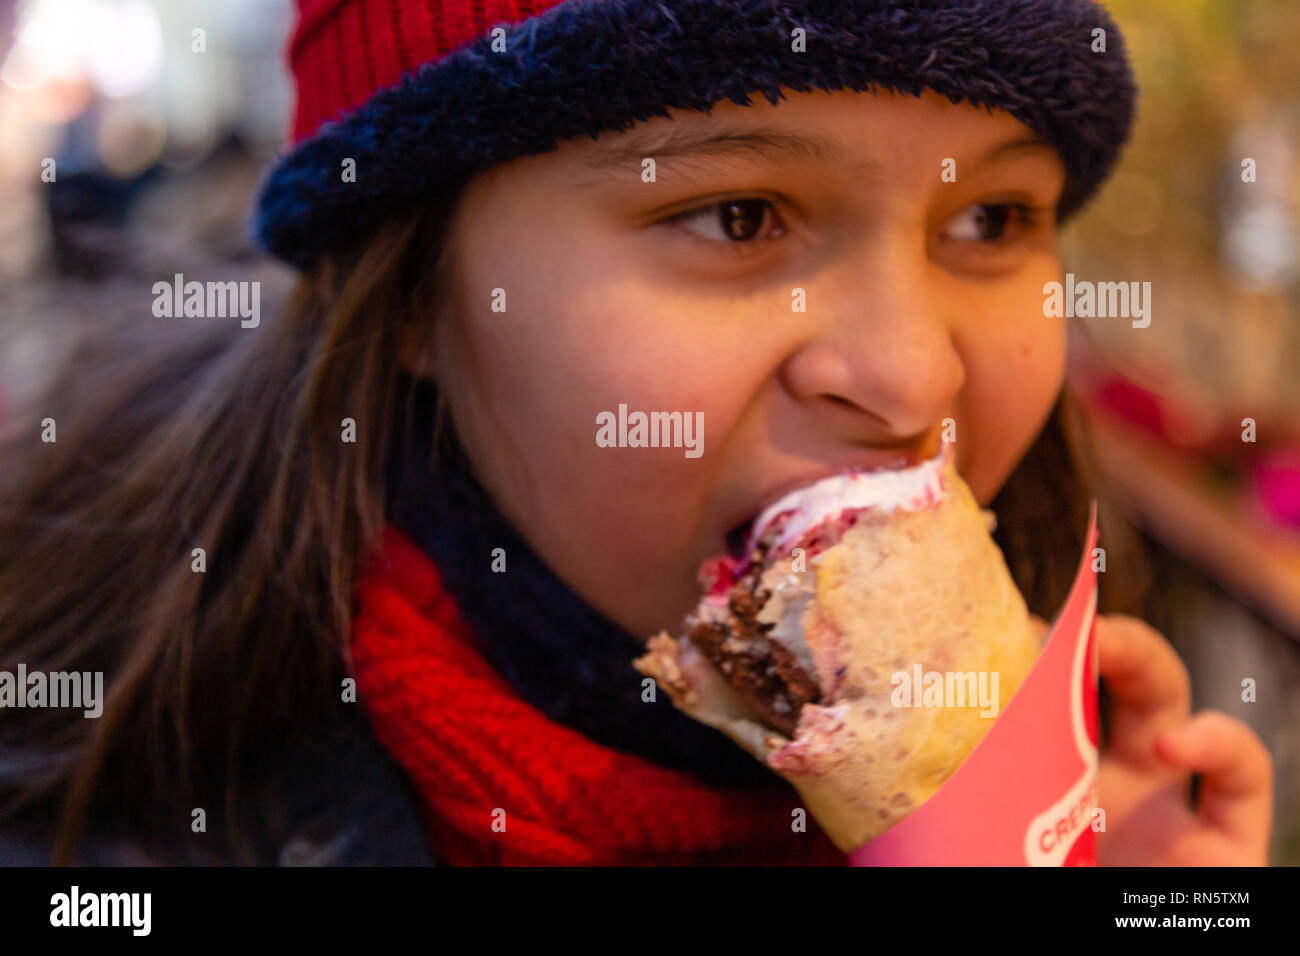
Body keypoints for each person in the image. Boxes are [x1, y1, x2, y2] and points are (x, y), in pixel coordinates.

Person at [0, 0, 1272, 866]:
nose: (909, 375)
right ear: (413, 301)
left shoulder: (1105, 743)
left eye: (992, 221)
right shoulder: (101, 827)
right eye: (737, 217)